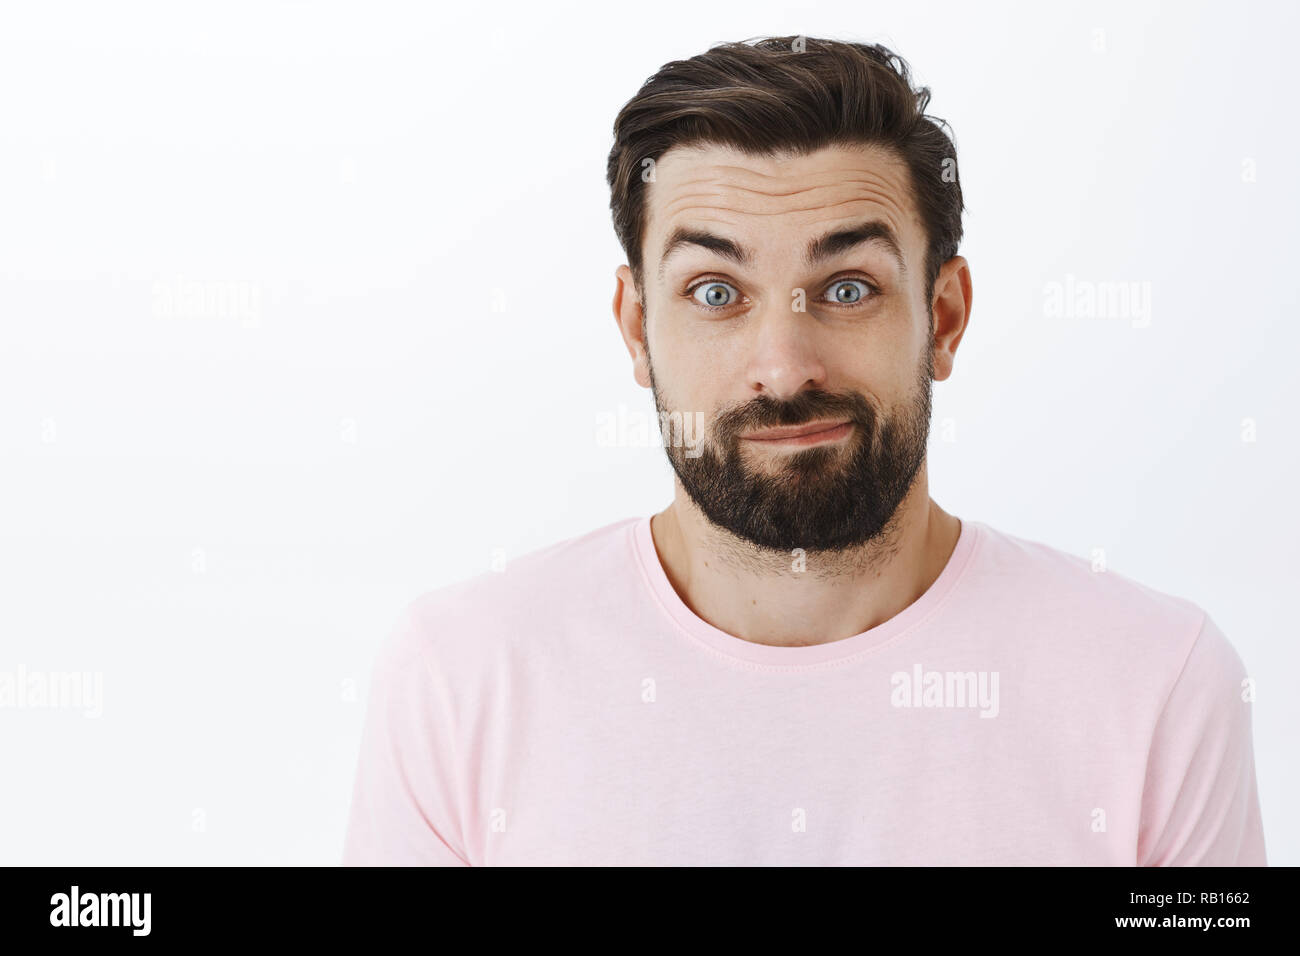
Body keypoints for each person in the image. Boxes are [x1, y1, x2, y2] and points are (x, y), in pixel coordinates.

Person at [342, 35, 1266, 866]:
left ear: (943, 318)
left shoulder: (1157, 685)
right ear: (636, 329)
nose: (783, 371)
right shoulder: (459, 680)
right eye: (715, 292)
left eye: (849, 287)